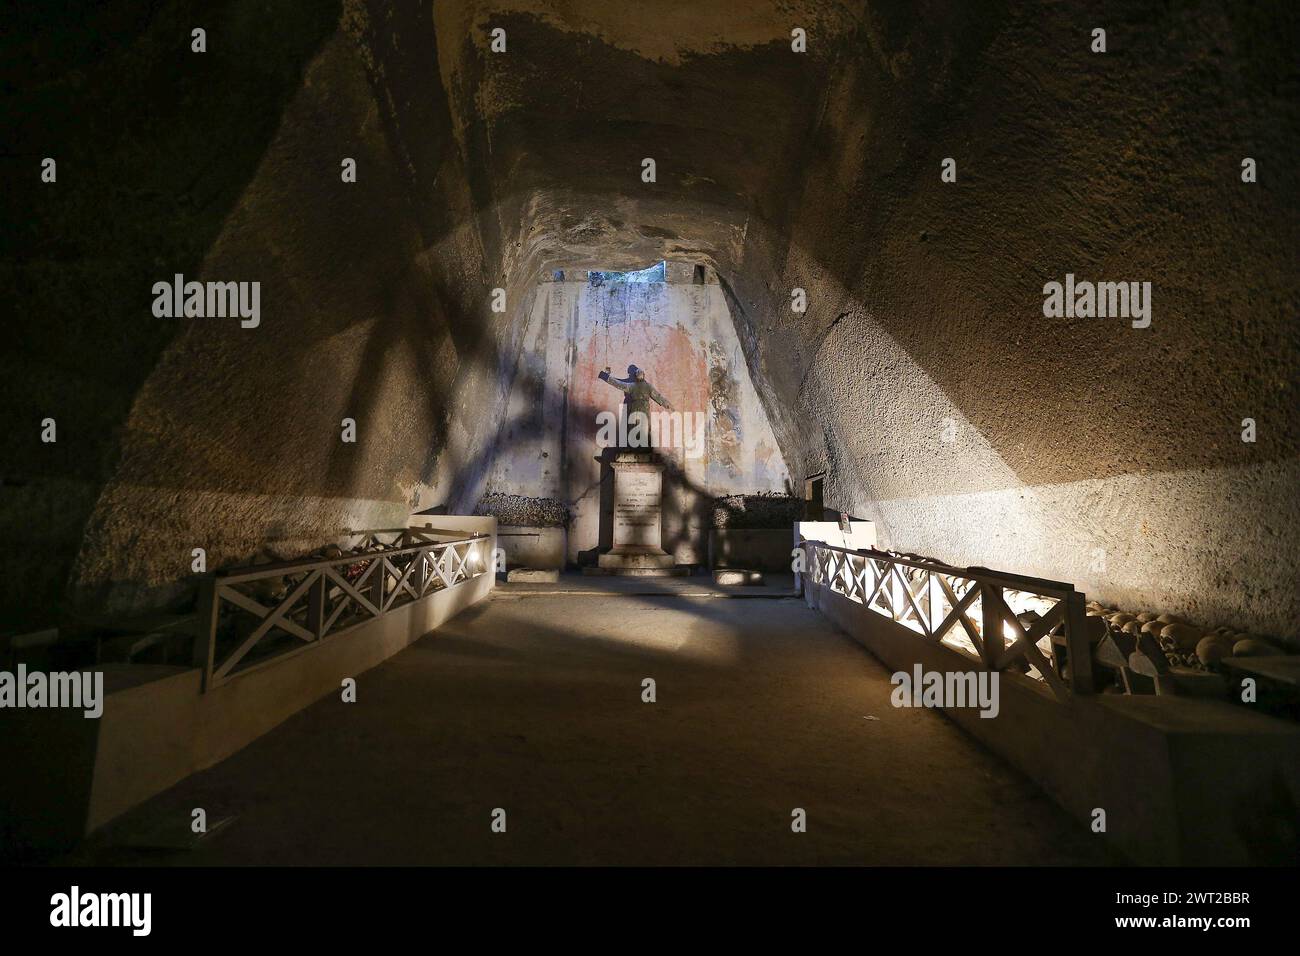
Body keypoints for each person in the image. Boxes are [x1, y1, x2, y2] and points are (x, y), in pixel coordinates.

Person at [599, 364, 672, 449]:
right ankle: (641, 447)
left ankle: (636, 446)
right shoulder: (645, 386)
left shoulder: (633, 386)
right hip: (642, 408)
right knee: (639, 426)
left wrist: (605, 377)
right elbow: (657, 396)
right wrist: (667, 404)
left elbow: (617, 383)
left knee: (635, 426)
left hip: (635, 408)